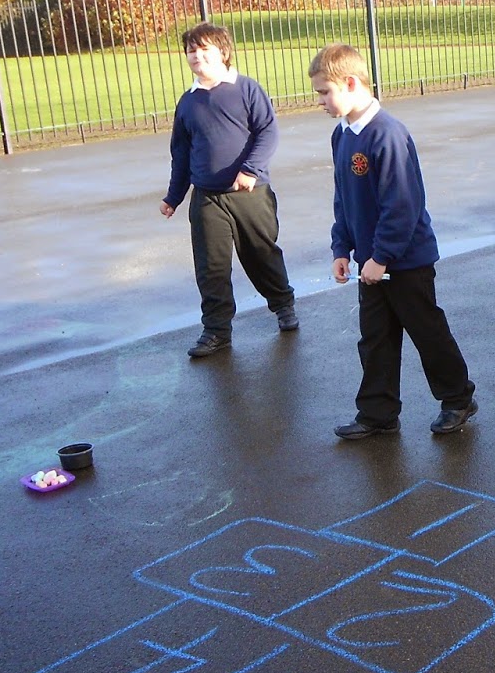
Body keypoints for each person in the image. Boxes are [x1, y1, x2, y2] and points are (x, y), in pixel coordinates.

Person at [310, 43, 477, 440]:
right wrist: (341, 248)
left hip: (405, 261)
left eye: (325, 92)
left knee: (426, 331)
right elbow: (344, 199)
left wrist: (382, 256)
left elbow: (402, 204)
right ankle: (378, 413)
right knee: (375, 339)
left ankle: (457, 399)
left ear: (351, 83)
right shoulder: (342, 135)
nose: (320, 101)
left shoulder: (386, 134)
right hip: (372, 263)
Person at [160, 23, 298, 357]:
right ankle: (216, 331)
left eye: (204, 48)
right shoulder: (188, 102)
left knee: (260, 255)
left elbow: (268, 132)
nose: (197, 55)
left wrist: (250, 170)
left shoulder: (246, 89)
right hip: (207, 198)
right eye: (191, 50)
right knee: (211, 267)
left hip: (251, 194)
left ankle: (282, 304)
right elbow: (181, 153)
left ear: (223, 52)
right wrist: (174, 196)